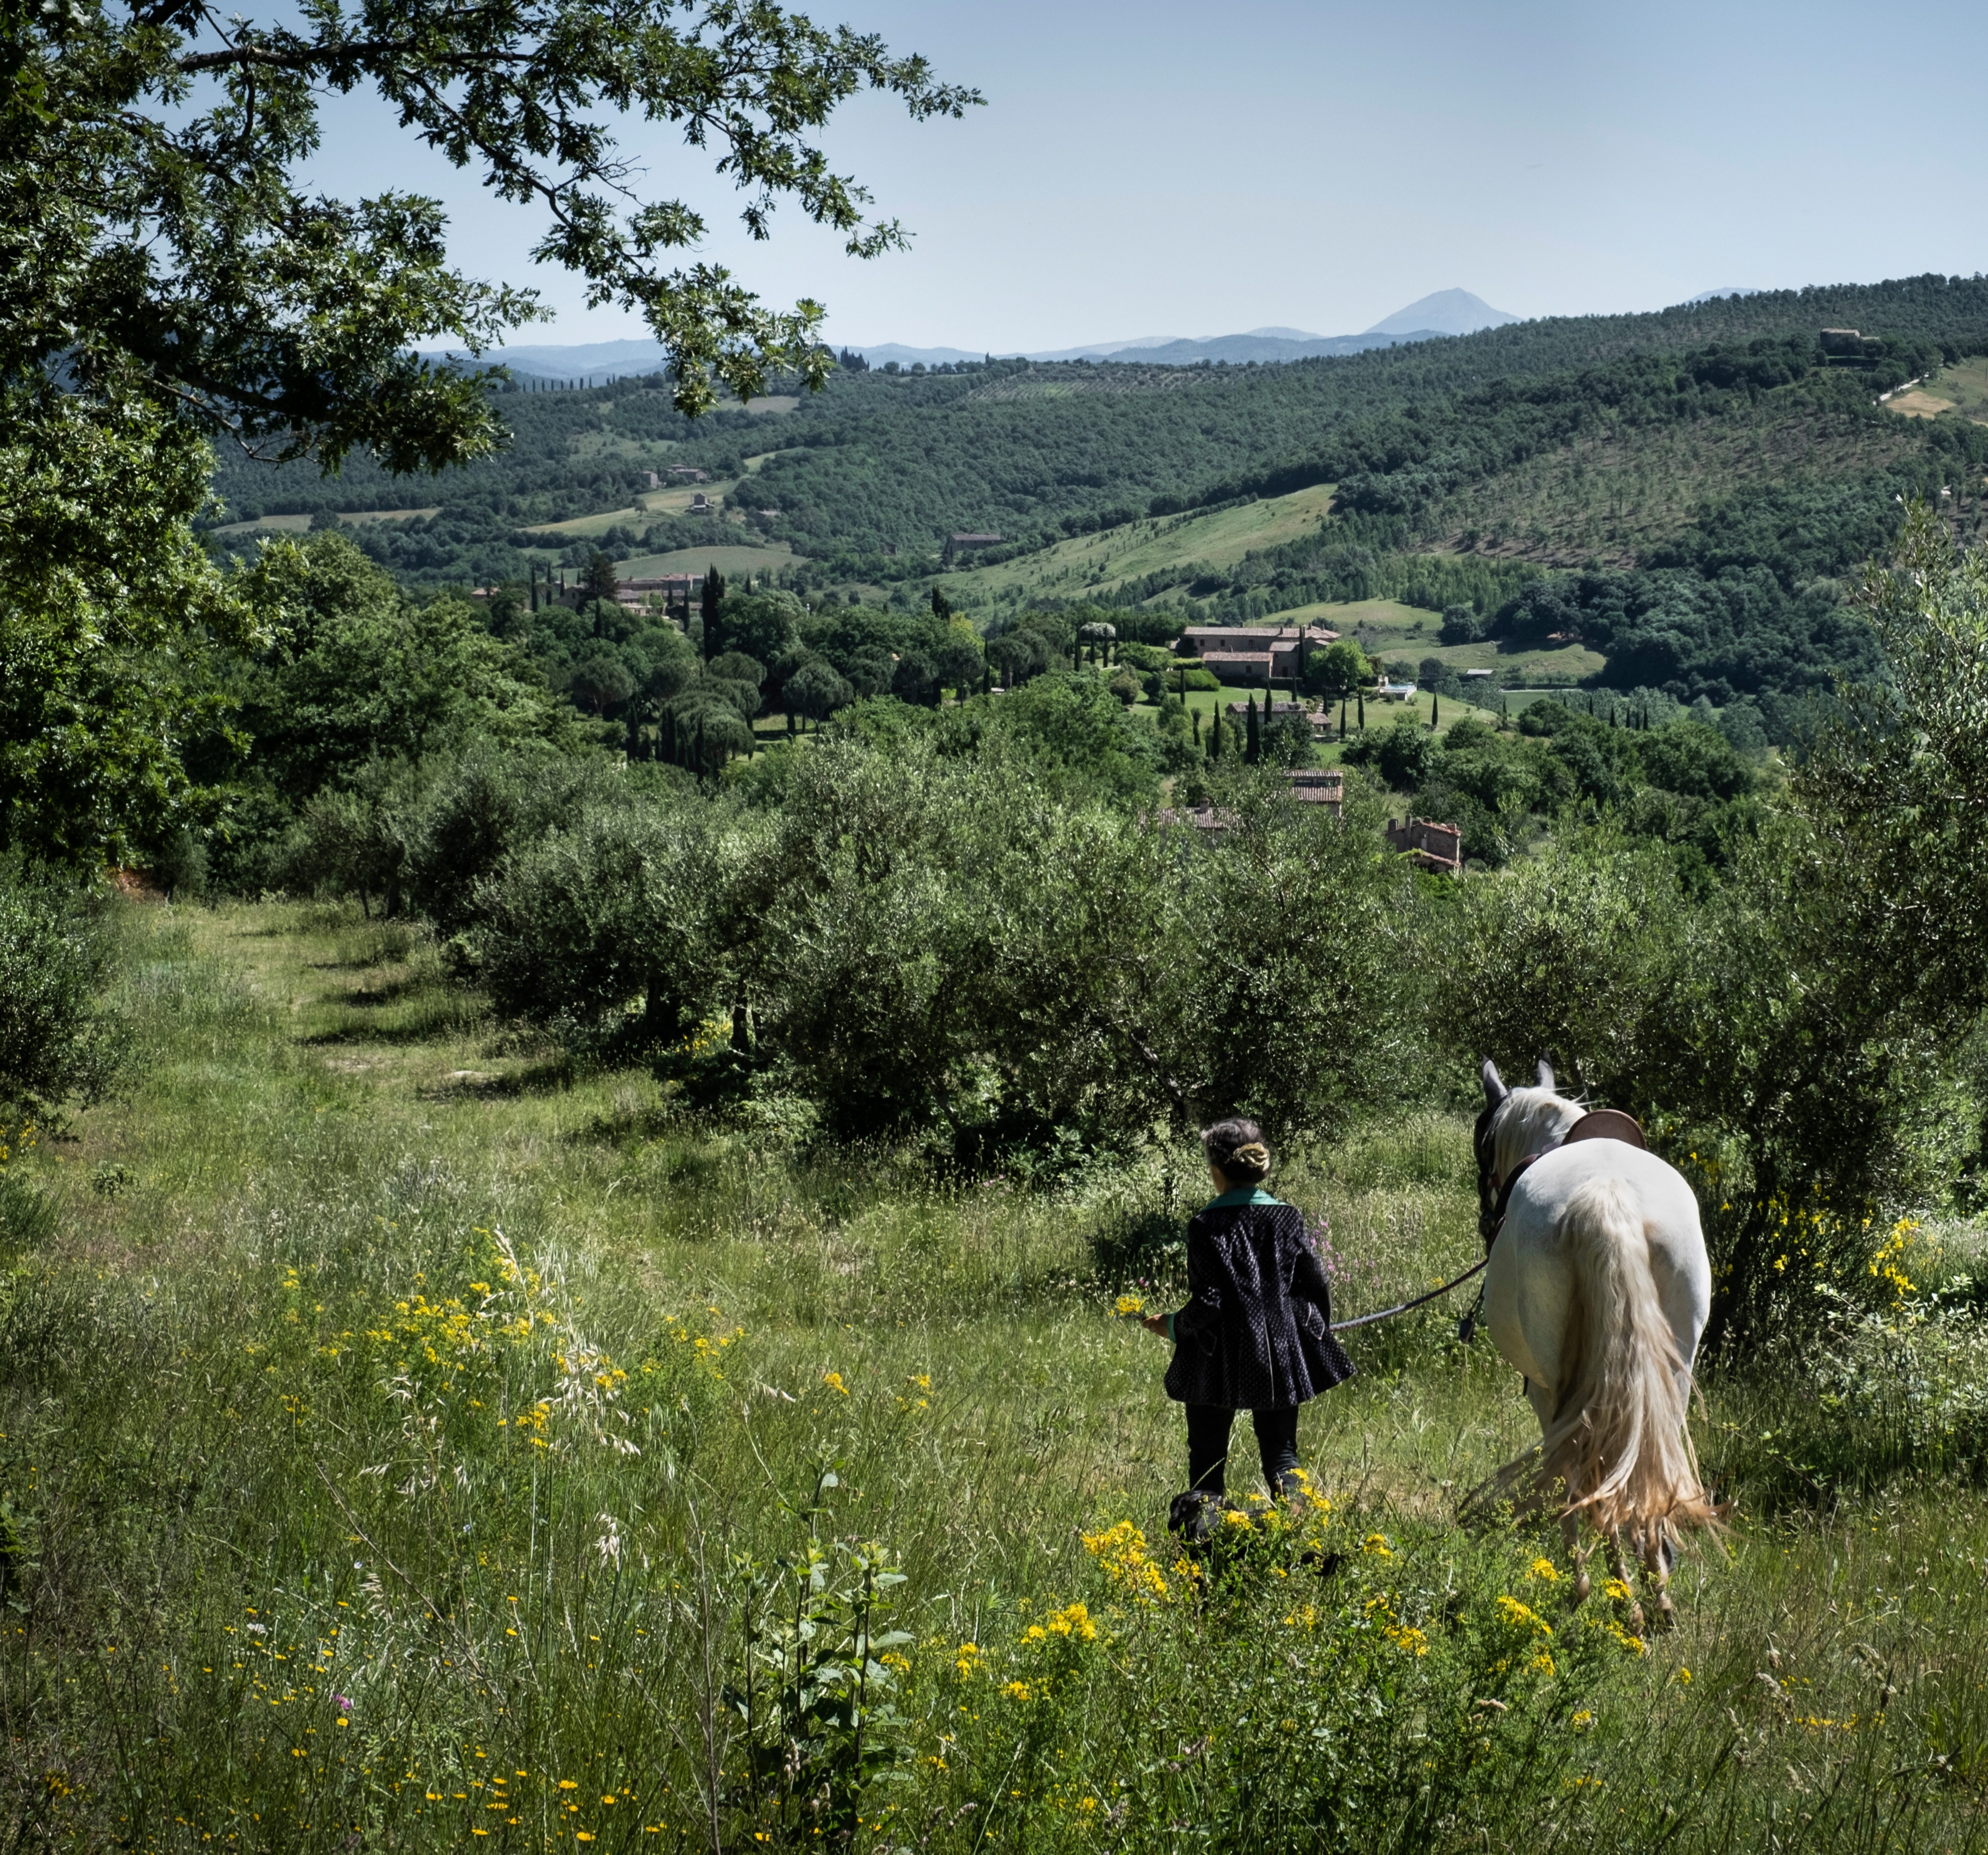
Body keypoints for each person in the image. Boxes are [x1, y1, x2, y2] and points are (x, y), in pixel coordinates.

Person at [1143, 1117, 1353, 1509]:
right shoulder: (1287, 1216)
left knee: (1207, 1462)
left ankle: (1204, 1550)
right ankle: (1298, 1535)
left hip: (1214, 1358)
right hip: (1276, 1355)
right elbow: (1317, 1281)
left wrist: (1172, 1326)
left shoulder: (1205, 1224)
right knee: (1282, 1455)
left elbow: (1210, 1303)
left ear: (1216, 1170)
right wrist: (1314, 1329)